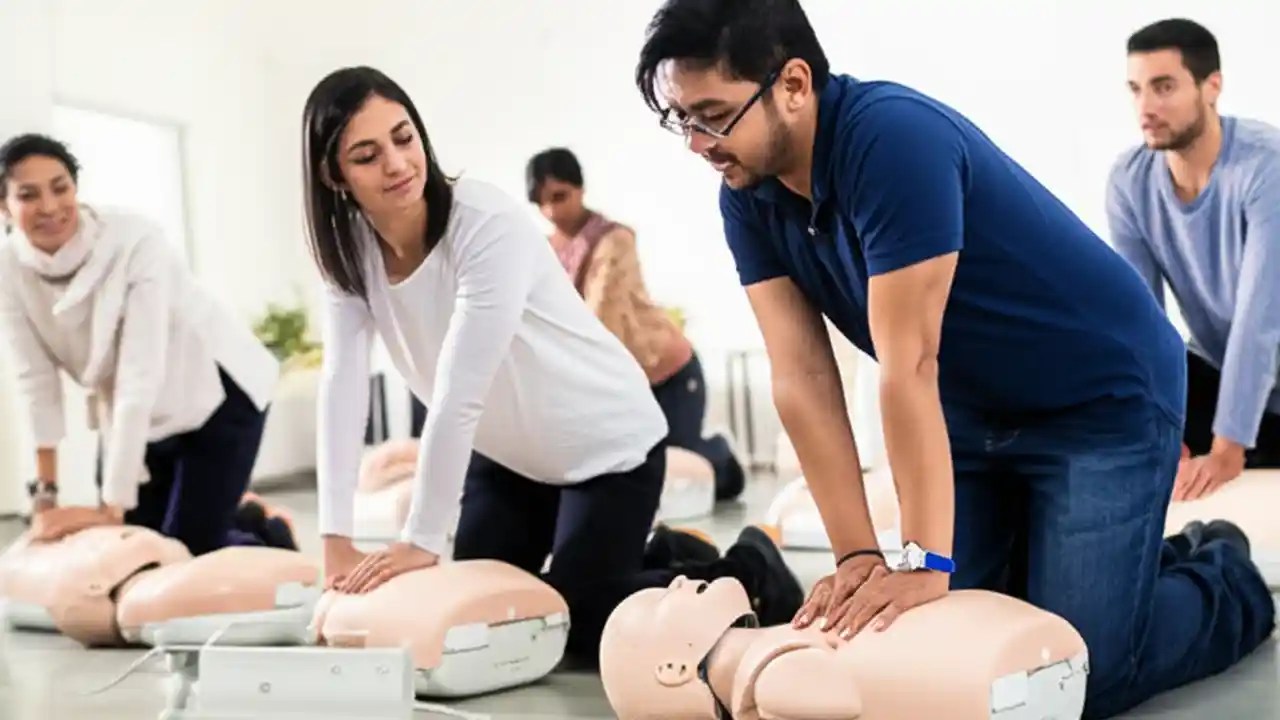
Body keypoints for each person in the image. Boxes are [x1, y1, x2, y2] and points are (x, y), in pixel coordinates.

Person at [631, 1, 1275, 717]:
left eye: (712, 115)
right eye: (681, 119)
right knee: (947, 653)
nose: (697, 143)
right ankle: (1119, 568)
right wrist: (857, 558)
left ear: (793, 83)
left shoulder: (891, 139)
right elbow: (803, 376)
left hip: (1101, 399)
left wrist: (924, 561)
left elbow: (909, 363)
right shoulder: (747, 195)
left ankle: (1224, 572)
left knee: (1073, 674)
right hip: (973, 410)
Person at [301, 66, 802, 663]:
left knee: (581, 617)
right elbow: (342, 387)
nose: (397, 164)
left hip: (604, 441)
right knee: (492, 610)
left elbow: (460, 391)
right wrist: (334, 541)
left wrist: (421, 540)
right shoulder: (351, 252)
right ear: (334, 175)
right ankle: (663, 555)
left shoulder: (483, 222)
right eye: (366, 155)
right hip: (510, 457)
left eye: (404, 137)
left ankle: (747, 571)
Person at [0, 133, 294, 555]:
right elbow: (35, 384)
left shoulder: (135, 241)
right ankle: (234, 513)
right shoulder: (9, 270)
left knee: (181, 551)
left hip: (217, 391)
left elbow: (141, 371)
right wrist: (45, 496)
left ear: (76, 187)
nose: (49, 206)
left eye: (60, 187)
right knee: (135, 548)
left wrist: (110, 506)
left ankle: (267, 532)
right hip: (131, 410)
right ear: (4, 207)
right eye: (28, 195)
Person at [1108, 18, 1280, 502]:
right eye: (1136, 89)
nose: (1146, 107)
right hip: (1221, 370)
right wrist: (1161, 426)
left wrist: (1227, 449)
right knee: (1109, 403)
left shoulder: (1266, 165)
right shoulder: (1129, 180)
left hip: (1268, 361)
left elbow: (1259, 319)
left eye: (1164, 88)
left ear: (1212, 87)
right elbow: (1142, 321)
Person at [525, 146, 745, 501]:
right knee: (640, 470)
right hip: (614, 377)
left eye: (559, 197)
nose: (551, 211)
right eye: (541, 203)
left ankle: (720, 454)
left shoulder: (614, 239)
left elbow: (599, 318)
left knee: (681, 464)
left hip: (665, 372)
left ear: (580, 189)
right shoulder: (544, 248)